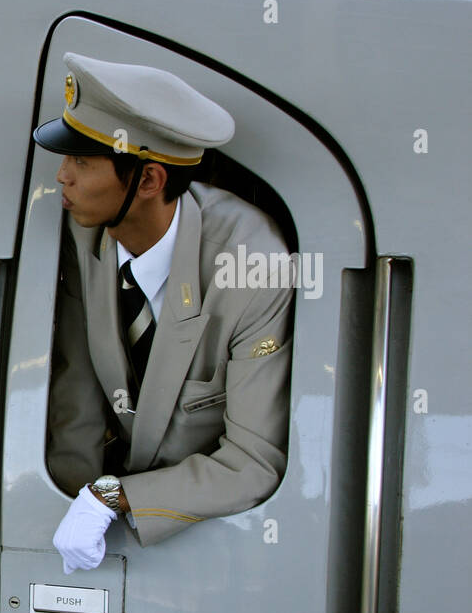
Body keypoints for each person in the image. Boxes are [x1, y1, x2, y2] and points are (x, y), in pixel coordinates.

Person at [35, 53, 293, 572]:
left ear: (149, 181)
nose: (61, 177)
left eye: (82, 162)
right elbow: (75, 389)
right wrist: (66, 504)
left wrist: (113, 497)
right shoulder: (82, 230)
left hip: (205, 549)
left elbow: (253, 462)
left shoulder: (250, 267)